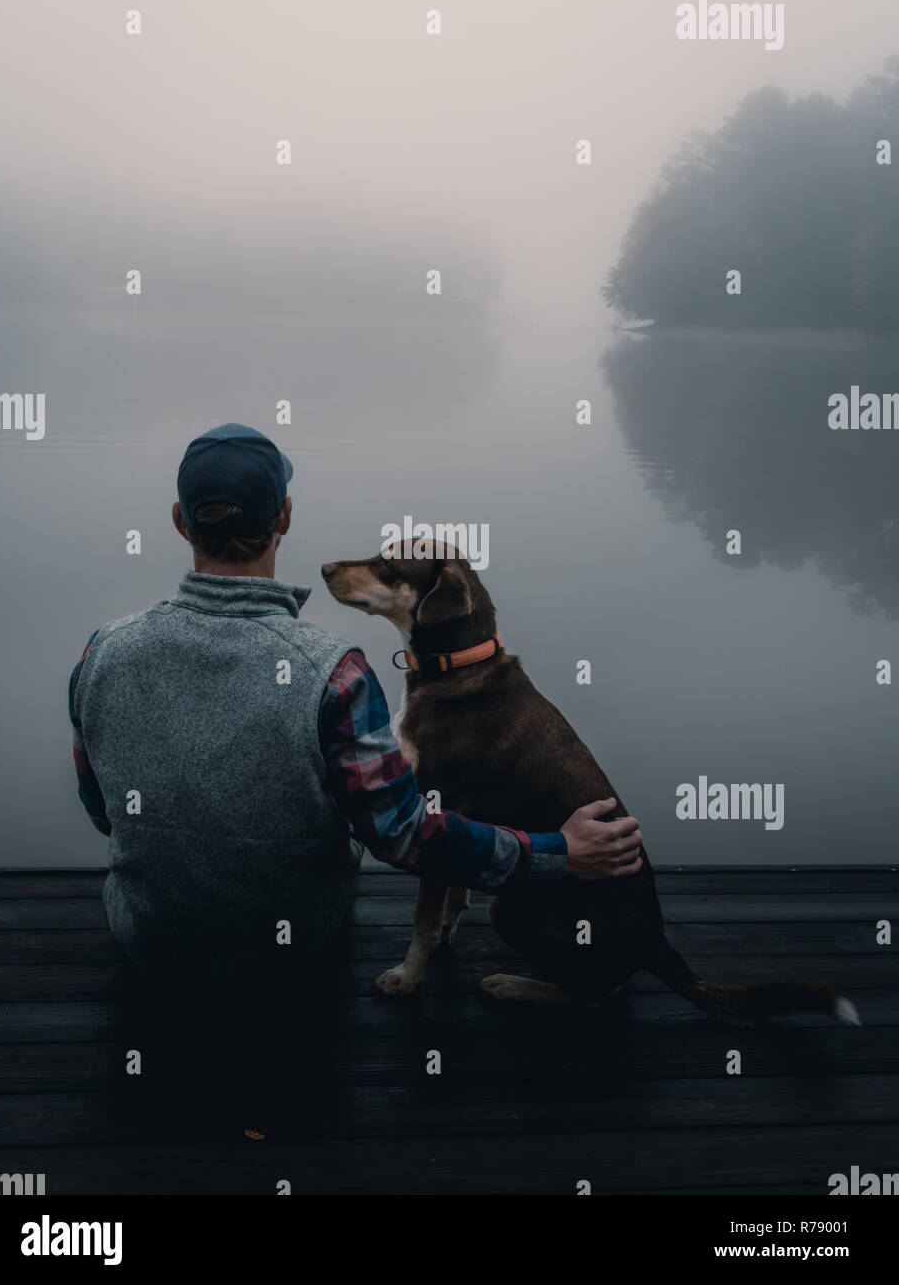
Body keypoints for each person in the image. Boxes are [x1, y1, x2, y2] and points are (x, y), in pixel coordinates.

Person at [68, 423, 644, 987]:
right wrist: (557, 852)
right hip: (294, 948)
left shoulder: (103, 652)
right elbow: (404, 836)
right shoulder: (334, 671)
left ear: (178, 520)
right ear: (285, 517)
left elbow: (102, 811)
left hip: (149, 942)